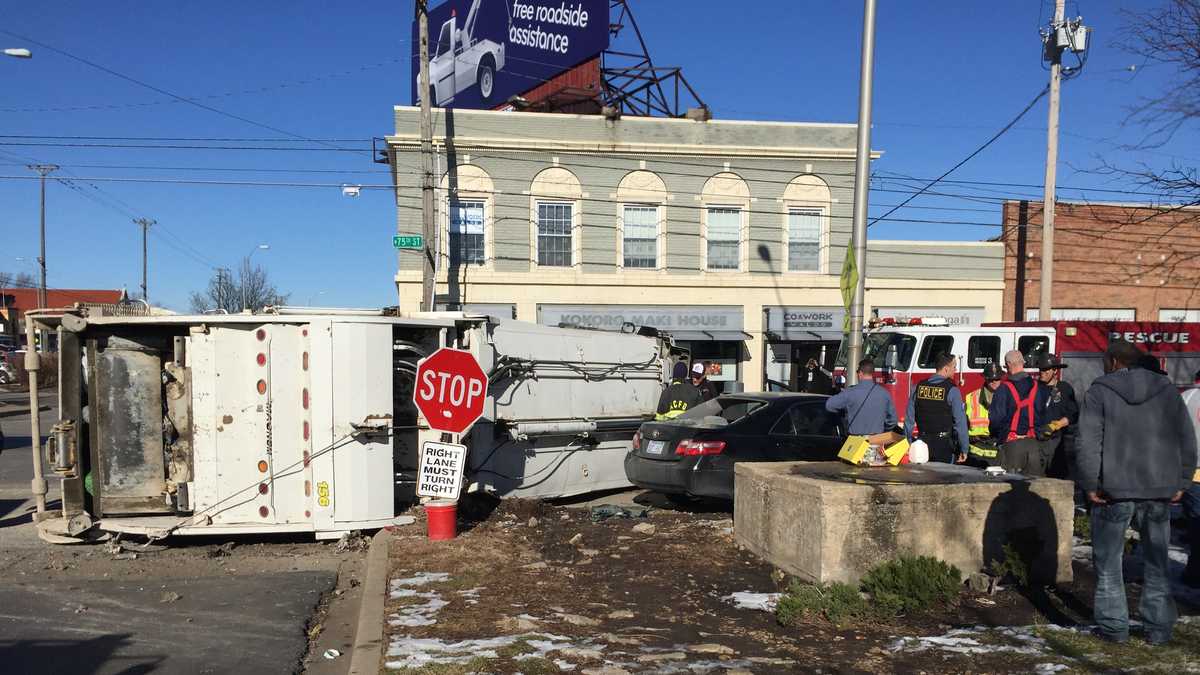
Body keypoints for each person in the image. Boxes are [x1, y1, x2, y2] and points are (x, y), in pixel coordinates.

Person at [1077, 339, 1197, 644]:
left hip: (1112, 491)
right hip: (1158, 490)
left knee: (1108, 565)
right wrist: (1182, 481)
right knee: (1157, 564)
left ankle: (1114, 628)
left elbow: (1089, 443)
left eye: (1105, 360)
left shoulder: (1100, 391)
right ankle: (1158, 629)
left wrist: (1090, 484)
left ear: (1115, 361)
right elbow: (1186, 439)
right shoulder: (1168, 391)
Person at [989, 350, 1048, 475]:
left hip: (1012, 448)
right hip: (1034, 446)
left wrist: (997, 436)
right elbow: (1043, 415)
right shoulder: (1039, 387)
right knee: (1033, 488)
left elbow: (996, 420)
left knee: (1011, 489)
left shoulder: (1003, 389)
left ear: (1009, 364)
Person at [905, 352, 969, 464]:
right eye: (954, 367)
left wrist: (908, 442)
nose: (956, 370)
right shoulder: (952, 390)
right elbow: (960, 423)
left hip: (921, 445)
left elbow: (909, 419)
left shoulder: (918, 387)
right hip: (944, 447)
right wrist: (964, 448)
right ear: (945, 369)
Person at [825, 358, 898, 435]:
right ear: (872, 373)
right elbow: (893, 420)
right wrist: (883, 430)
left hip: (855, 441)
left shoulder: (850, 392)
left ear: (860, 373)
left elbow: (829, 405)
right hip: (876, 441)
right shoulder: (885, 393)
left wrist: (845, 412)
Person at [1034, 353, 1079, 479]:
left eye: (1045, 369)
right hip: (1035, 441)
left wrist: (1057, 425)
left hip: (1056, 442)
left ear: (1055, 370)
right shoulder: (1033, 387)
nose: (1042, 372)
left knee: (1058, 478)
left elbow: (1073, 414)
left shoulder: (1065, 388)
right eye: (1040, 369)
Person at [965, 362, 1005, 466]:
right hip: (976, 452)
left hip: (998, 451)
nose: (994, 382)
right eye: (991, 379)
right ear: (985, 379)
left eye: (997, 379)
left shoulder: (1007, 397)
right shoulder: (971, 397)